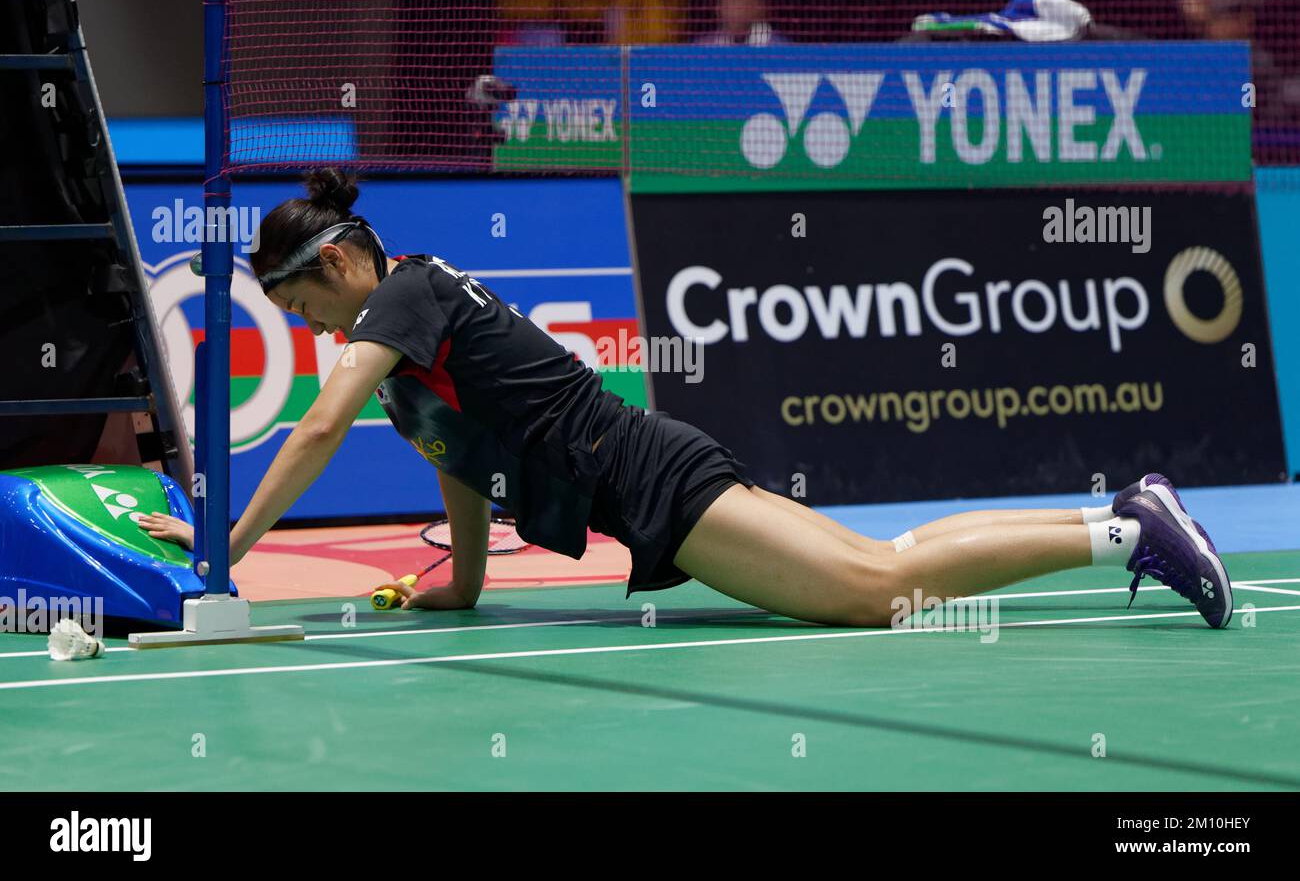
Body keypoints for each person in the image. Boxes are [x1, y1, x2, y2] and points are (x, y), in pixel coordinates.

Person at [139, 170, 1232, 629]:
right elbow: (458, 461)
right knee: (881, 556)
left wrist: (221, 549)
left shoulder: (407, 293)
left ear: (338, 269)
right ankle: (1121, 512)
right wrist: (458, 586)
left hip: (653, 480)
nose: (310, 334)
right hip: (652, 477)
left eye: (301, 308)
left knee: (881, 591)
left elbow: (317, 423)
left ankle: (1124, 529)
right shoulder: (412, 342)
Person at [694, 0, 786, 46]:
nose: (738, 10)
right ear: (718, 7)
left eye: (746, 2)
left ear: (761, 8)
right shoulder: (701, 49)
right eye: (731, 1)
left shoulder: (782, 50)